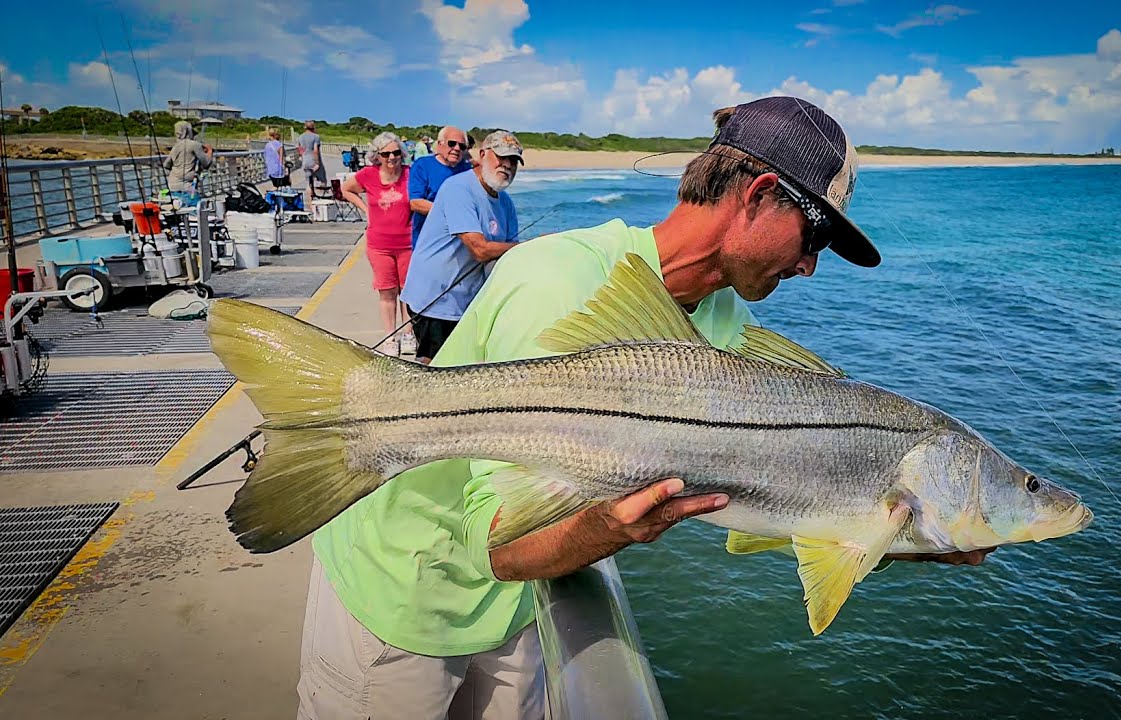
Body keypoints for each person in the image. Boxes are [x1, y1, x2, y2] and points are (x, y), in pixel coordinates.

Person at [301, 98, 993, 720]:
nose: (811, 266)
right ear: (757, 196)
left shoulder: (718, 320)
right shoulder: (557, 281)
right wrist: (611, 529)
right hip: (404, 596)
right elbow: (505, 544)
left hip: (508, 600)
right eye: (814, 239)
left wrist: (913, 528)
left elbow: (777, 480)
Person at [399, 130, 521, 363]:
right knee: (434, 367)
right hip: (436, 297)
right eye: (501, 158)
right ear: (483, 154)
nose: (507, 165)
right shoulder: (458, 188)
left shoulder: (506, 203)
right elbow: (480, 250)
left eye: (513, 161)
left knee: (463, 367)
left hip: (468, 300)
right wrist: (527, 246)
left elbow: (510, 253)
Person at [340, 132, 414, 356]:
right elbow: (346, 189)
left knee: (408, 292)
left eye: (396, 153)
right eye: (386, 154)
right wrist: (366, 210)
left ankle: (408, 332)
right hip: (379, 244)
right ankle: (390, 337)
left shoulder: (411, 174)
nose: (392, 157)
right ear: (378, 156)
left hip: (408, 244)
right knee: (387, 291)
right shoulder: (368, 175)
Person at [407, 125, 472, 243]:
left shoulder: (468, 169)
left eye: (461, 146)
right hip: (428, 240)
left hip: (459, 242)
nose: (457, 148)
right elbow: (415, 203)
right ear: (439, 144)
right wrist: (451, 212)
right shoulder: (423, 166)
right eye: (452, 143)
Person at [161, 120, 212, 195]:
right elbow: (206, 163)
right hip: (188, 186)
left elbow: (166, 165)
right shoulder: (195, 145)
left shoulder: (176, 146)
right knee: (192, 204)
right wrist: (209, 151)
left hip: (172, 184)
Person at [297, 120, 326, 203]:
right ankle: (320, 200)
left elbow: (300, 149)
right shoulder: (316, 136)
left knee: (309, 182)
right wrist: (317, 163)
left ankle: (310, 202)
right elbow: (315, 150)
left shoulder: (300, 137)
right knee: (322, 181)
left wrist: (303, 157)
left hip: (305, 160)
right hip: (313, 160)